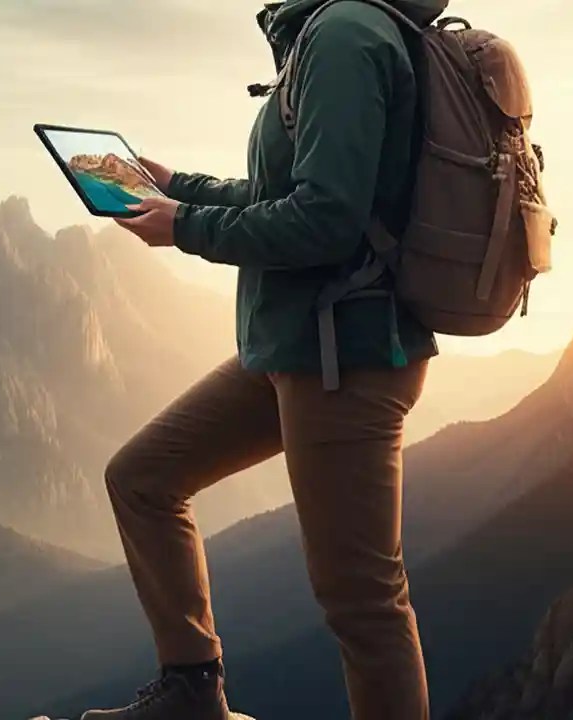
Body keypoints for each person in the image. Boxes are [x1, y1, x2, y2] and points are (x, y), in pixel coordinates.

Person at [81, 1, 448, 719]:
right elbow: (283, 194)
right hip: (296, 345)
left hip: (344, 357)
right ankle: (192, 692)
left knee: (363, 600)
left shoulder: (346, 35)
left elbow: (326, 220)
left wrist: (186, 228)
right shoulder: (333, 31)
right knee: (143, 478)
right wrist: (176, 186)